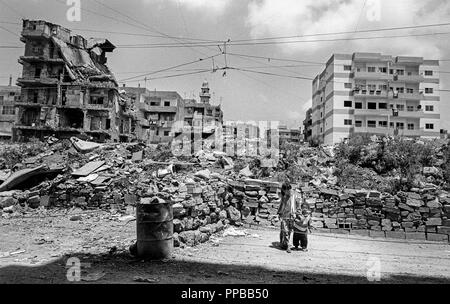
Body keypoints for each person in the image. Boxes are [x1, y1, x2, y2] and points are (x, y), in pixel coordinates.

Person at [277, 182, 300, 253]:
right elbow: (281, 206)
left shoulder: (294, 196)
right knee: (285, 231)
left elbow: (298, 205)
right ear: (284, 190)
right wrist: (279, 214)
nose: (289, 191)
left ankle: (285, 244)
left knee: (289, 231)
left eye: (289, 189)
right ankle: (287, 246)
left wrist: (298, 213)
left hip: (292, 216)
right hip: (284, 217)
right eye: (287, 190)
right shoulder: (284, 197)